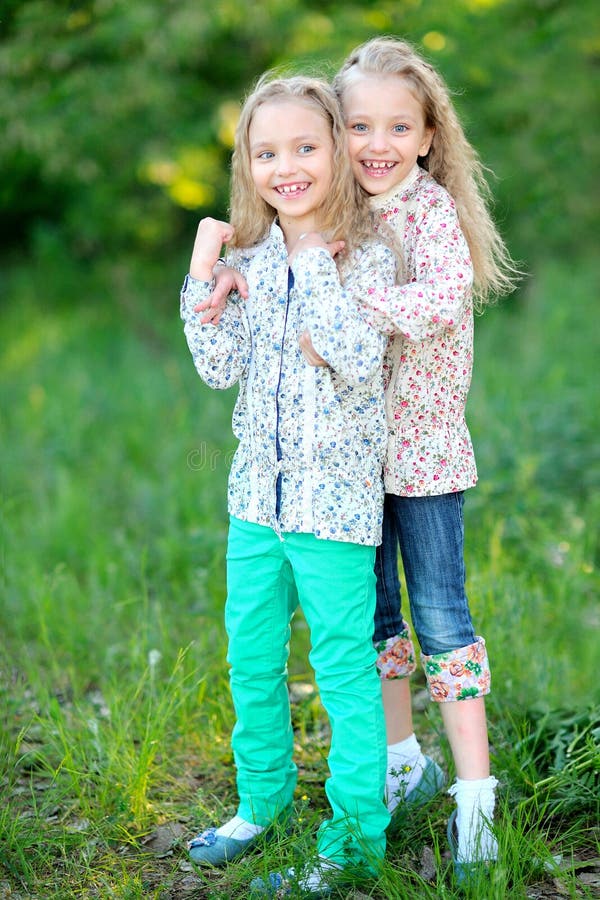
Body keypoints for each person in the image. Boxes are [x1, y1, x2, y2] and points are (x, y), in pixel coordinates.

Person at [180, 73, 397, 897]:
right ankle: (260, 801)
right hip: (254, 506)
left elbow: (353, 354)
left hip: (334, 507)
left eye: (306, 147)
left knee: (343, 669)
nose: (287, 166)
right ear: (249, 164)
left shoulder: (368, 254)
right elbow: (219, 366)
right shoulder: (251, 260)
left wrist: (311, 267)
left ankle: (353, 842)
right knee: (251, 663)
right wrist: (209, 268)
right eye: (267, 152)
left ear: (339, 150)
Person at [330, 37, 520, 883]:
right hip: (353, 462)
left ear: (426, 137)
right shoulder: (336, 216)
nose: (375, 143)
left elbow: (442, 299)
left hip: (427, 455)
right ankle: (404, 761)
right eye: (357, 125)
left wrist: (355, 298)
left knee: (441, 616)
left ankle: (475, 799)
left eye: (394, 127)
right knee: (376, 621)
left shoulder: (430, 211)